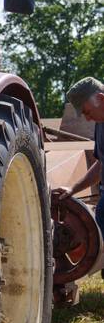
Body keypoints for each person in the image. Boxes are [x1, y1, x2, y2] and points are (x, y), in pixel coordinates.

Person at [54, 76, 104, 235]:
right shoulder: (100, 124)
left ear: (101, 98)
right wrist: (73, 189)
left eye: (87, 112)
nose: (88, 118)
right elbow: (101, 163)